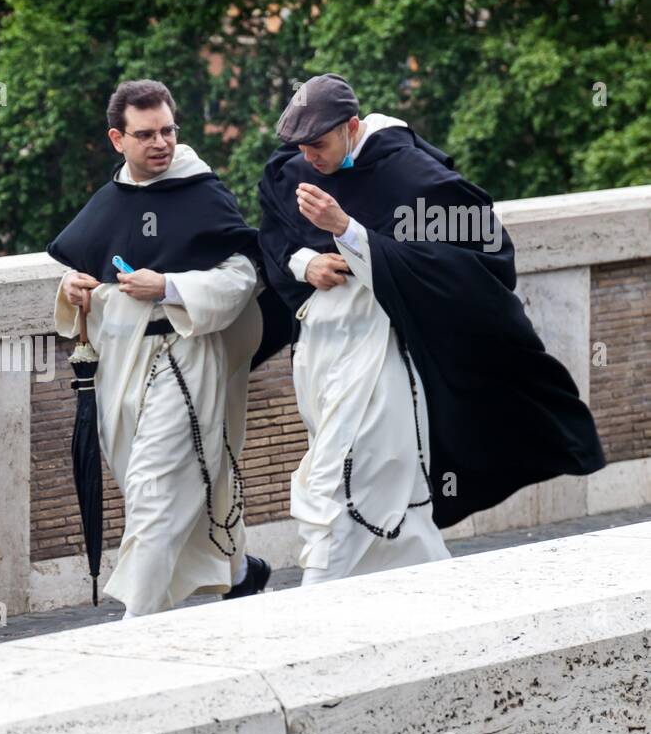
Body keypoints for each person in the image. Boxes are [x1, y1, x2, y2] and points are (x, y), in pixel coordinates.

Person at [258, 73, 604, 584]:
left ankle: (316, 607)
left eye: (320, 144)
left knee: (343, 487)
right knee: (385, 497)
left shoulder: (414, 177)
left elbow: (476, 262)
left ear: (352, 126)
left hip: (383, 361)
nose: (309, 157)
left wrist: (348, 232)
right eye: (301, 146)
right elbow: (273, 235)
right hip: (321, 362)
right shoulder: (294, 171)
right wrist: (304, 263)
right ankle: (431, 595)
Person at [48, 79, 287, 617]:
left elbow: (244, 274)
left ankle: (137, 622)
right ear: (118, 138)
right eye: (146, 134)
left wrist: (172, 288)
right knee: (150, 486)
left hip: (188, 358)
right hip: (122, 370)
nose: (161, 143)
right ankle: (241, 571)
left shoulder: (201, 191)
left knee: (157, 490)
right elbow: (87, 274)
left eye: (168, 130)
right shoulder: (109, 202)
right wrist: (71, 290)